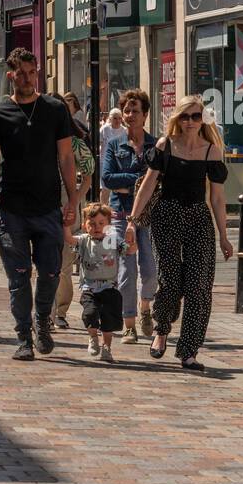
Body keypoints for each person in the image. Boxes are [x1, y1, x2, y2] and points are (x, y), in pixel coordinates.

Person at [0, 48, 78, 360]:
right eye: (20, 73)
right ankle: (23, 335)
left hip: (48, 207)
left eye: (31, 72)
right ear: (10, 74)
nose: (26, 78)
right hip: (12, 209)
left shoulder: (54, 109)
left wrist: (73, 199)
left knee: (50, 271)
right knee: (19, 275)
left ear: (38, 72)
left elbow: (66, 156)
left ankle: (43, 319)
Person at [127, 95, 232, 372]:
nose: (190, 122)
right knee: (170, 280)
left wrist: (223, 235)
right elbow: (148, 186)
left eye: (196, 117)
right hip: (167, 215)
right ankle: (162, 330)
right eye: (185, 116)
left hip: (198, 217)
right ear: (177, 118)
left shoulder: (211, 151)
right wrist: (133, 222)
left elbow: (218, 198)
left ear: (203, 120)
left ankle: (188, 351)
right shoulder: (165, 146)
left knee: (199, 286)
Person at [101, 87, 158, 343]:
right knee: (126, 272)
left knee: (150, 270)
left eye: (136, 110)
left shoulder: (155, 145)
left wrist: (132, 184)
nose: (130, 114)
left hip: (149, 217)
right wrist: (139, 180)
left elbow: (157, 182)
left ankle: (146, 307)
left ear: (145, 114)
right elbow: (107, 178)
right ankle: (129, 323)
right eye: (127, 110)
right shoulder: (115, 145)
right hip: (121, 216)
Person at [65, 203, 136, 362]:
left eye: (101, 223)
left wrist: (132, 240)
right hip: (89, 287)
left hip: (109, 287)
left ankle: (107, 347)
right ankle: (93, 338)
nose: (97, 227)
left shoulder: (112, 240)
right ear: (85, 225)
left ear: (108, 225)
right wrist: (66, 225)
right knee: (90, 313)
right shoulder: (84, 240)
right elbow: (69, 238)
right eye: (92, 224)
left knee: (108, 320)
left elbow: (129, 250)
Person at [52, 104, 95, 329]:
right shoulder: (39, 138)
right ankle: (45, 312)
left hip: (68, 206)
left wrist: (75, 198)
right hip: (42, 206)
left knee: (64, 265)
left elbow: (89, 172)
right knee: (45, 261)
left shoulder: (75, 143)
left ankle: (60, 311)